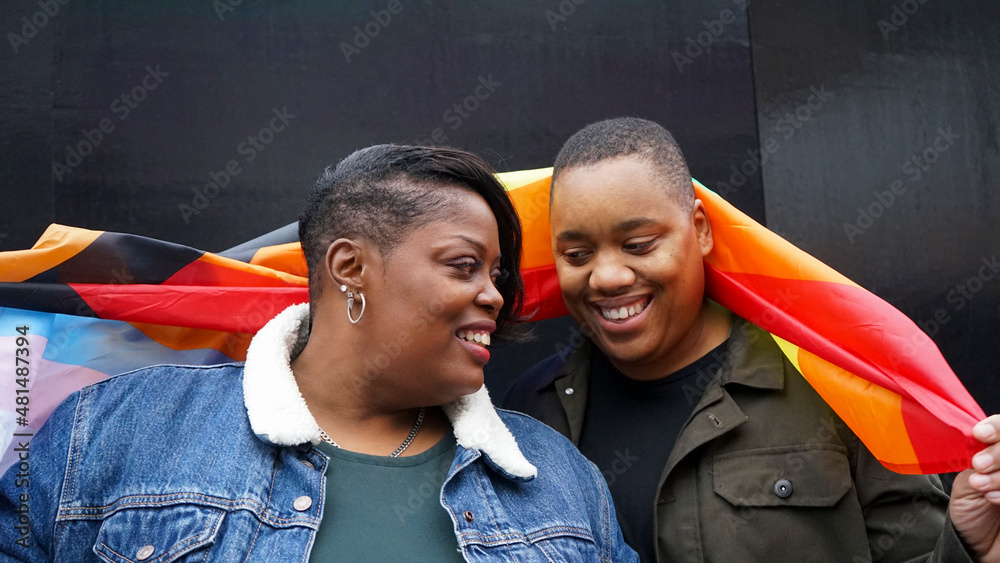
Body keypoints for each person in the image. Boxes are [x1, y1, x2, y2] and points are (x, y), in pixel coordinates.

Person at [0, 145, 638, 562]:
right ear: (350, 266)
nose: (494, 295)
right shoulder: (116, 432)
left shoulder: (559, 481)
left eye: (497, 274)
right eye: (465, 265)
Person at [504, 117, 1000, 562]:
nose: (606, 276)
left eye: (638, 245)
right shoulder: (531, 410)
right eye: (575, 254)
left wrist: (971, 546)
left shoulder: (832, 384)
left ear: (699, 230)